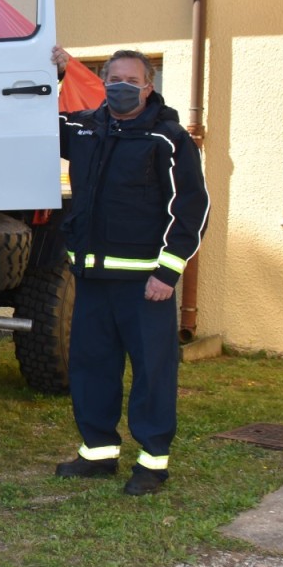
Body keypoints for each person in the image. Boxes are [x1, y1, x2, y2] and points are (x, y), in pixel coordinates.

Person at [55, 49, 209, 496]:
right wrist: (52, 72)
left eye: (131, 80)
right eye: (113, 78)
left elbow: (192, 210)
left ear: (149, 86)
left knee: (152, 374)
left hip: (147, 287)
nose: (121, 86)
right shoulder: (85, 128)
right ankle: (98, 453)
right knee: (91, 369)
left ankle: (152, 463)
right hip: (92, 280)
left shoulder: (169, 137)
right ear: (103, 81)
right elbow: (34, 119)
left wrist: (168, 272)